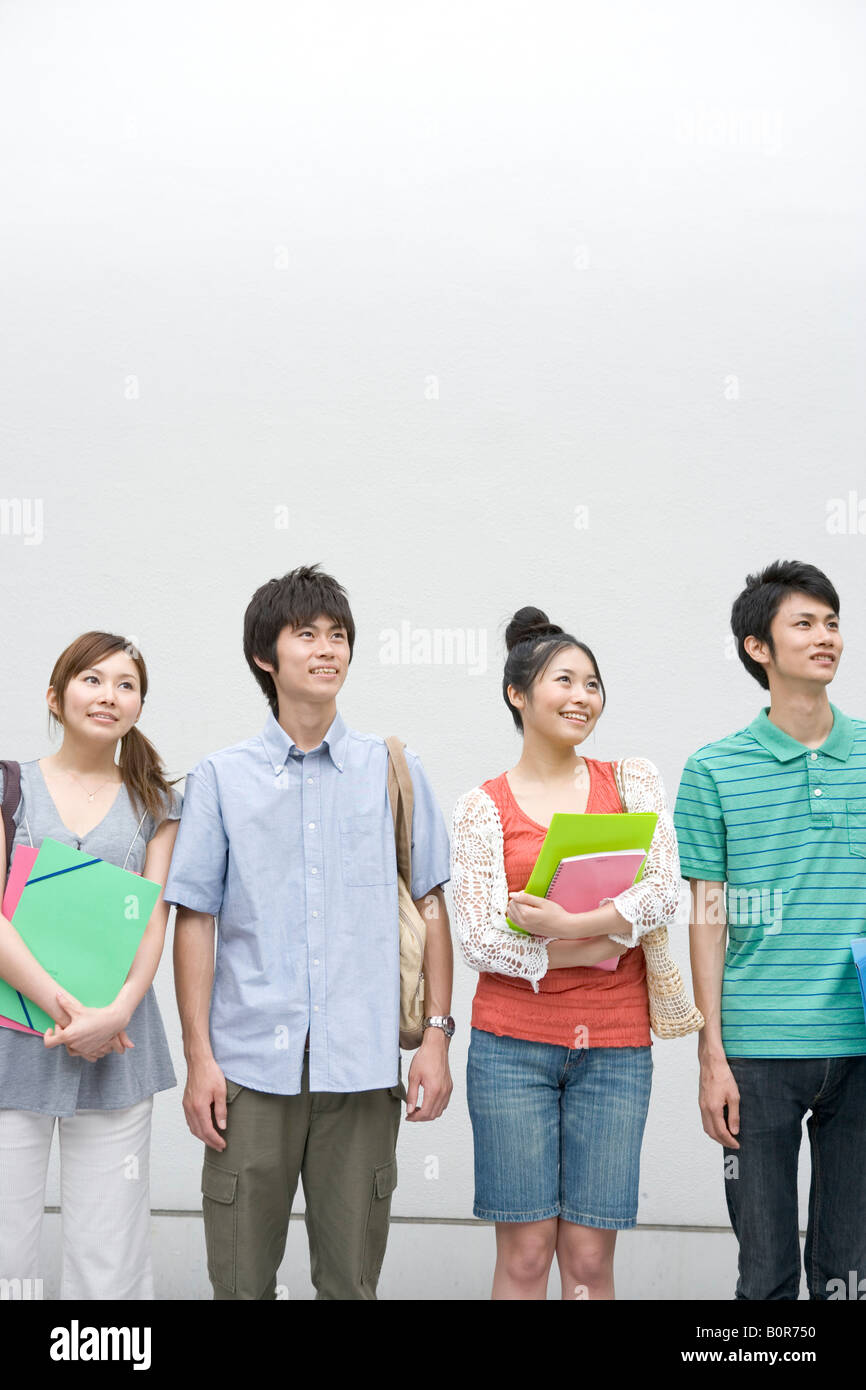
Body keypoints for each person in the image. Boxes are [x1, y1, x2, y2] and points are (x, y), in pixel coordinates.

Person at [164, 563, 453, 1301]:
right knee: (239, 1282)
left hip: (362, 1070)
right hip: (249, 1072)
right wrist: (200, 1057)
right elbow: (195, 920)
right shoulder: (221, 779)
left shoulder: (392, 768)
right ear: (267, 656)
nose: (328, 650)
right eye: (306, 635)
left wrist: (440, 1040)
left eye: (339, 636)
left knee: (351, 1285)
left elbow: (431, 907)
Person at [451, 606, 694, 1301]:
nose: (583, 696)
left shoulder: (633, 780)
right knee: (526, 1257)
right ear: (518, 695)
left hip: (616, 1047)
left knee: (588, 1262)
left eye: (593, 683)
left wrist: (569, 921)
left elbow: (663, 888)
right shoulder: (483, 807)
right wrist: (591, 945)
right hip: (511, 1048)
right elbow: (479, 939)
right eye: (565, 680)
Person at [674, 559, 866, 1301]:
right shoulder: (714, 770)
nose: (827, 638)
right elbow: (707, 919)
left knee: (850, 1275)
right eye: (805, 623)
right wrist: (710, 1056)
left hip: (859, 1043)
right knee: (764, 1279)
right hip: (756, 1051)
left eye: (832, 622)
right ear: (759, 646)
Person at [0, 632, 180, 1300]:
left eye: (126, 684)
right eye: (93, 679)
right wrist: (64, 1007)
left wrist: (119, 1011)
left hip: (116, 1042)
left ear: (138, 704)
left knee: (112, 1251)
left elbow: (155, 916)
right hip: (13, 1039)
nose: (109, 695)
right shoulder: (9, 784)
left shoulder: (159, 803)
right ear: (57, 695)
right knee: (5, 1245)